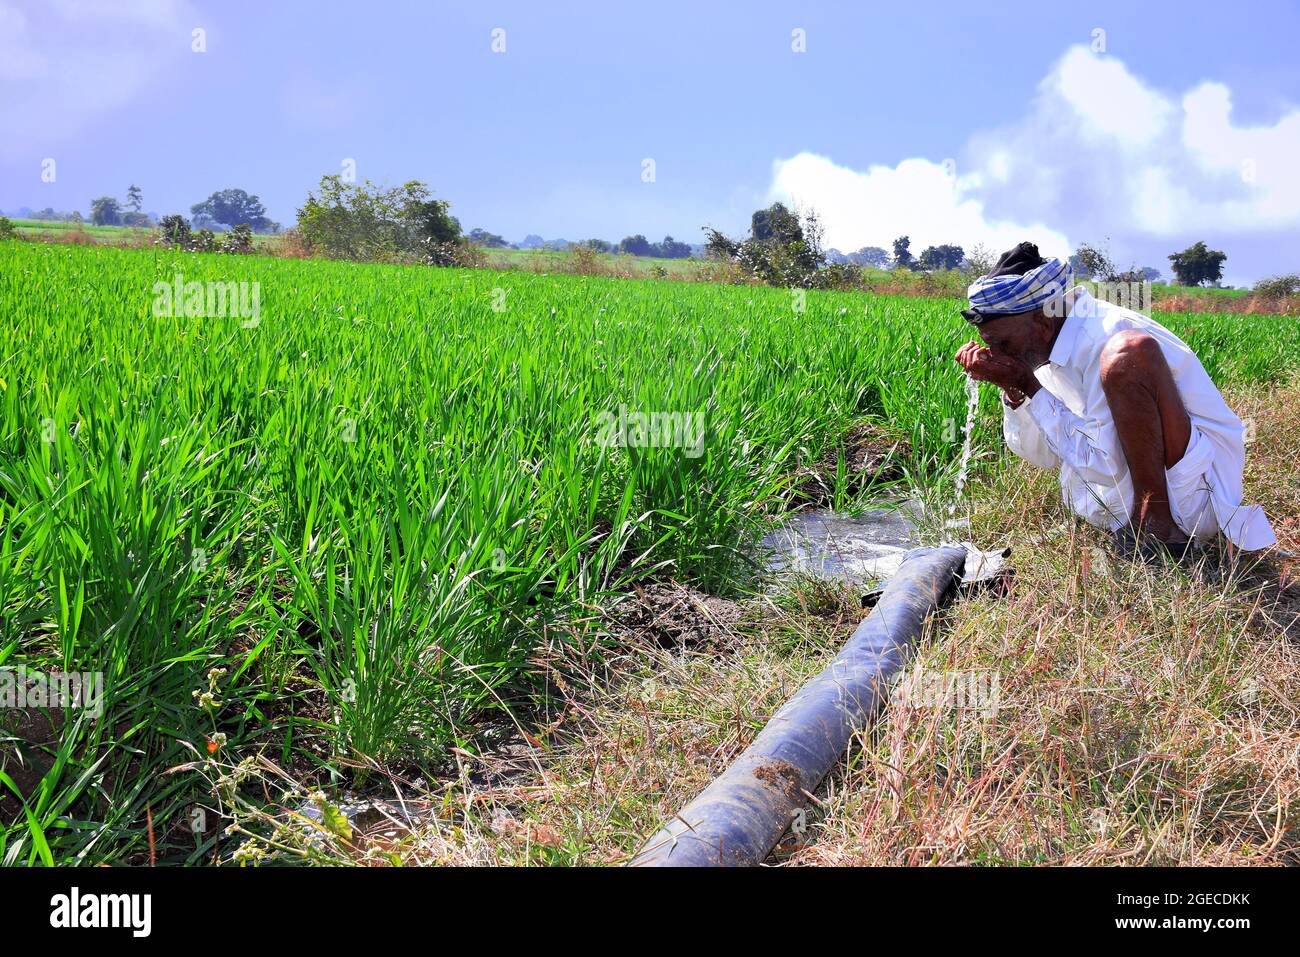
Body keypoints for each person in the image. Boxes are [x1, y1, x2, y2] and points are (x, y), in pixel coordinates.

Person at [953, 241, 1275, 556]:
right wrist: (1016, 391)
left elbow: (1106, 467)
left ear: (1042, 323)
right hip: (1125, 493)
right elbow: (1045, 456)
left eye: (1002, 343)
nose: (996, 354)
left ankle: (1158, 527)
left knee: (1127, 356)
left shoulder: (1105, 336)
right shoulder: (1043, 346)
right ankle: (1137, 519)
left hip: (1195, 494)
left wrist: (1028, 384)